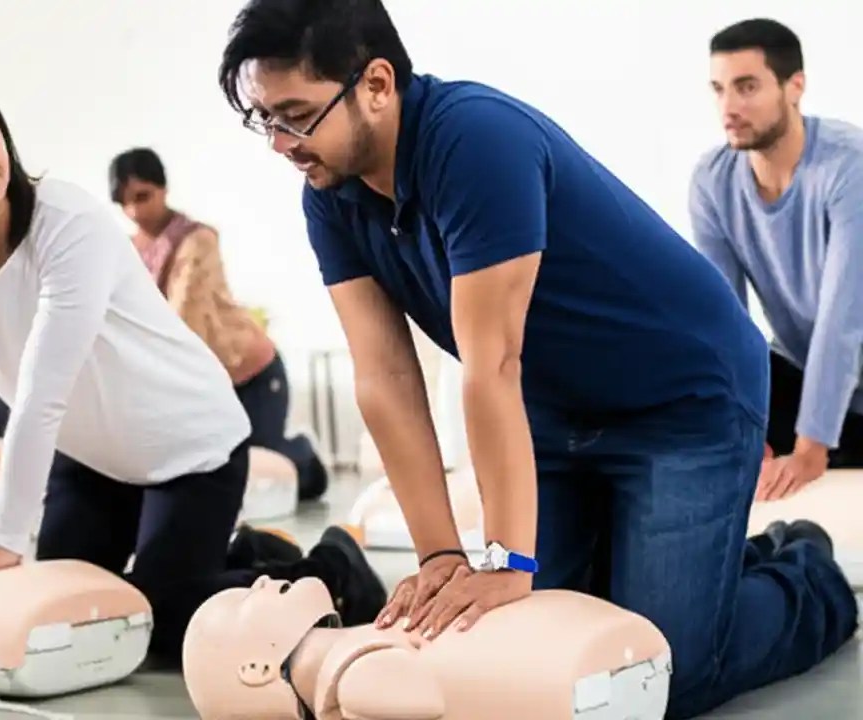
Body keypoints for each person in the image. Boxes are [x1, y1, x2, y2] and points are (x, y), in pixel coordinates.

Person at [214, 1, 858, 717]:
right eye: (264, 119)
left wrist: (507, 561)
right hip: (556, 410)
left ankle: (807, 572)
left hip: (684, 399)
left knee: (656, 674)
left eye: (295, 115)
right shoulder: (330, 195)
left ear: (376, 83)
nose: (280, 143)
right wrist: (440, 558)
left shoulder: (474, 139)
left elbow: (492, 363)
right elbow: (386, 376)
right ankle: (702, 568)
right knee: (530, 653)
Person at [0, 66, 385, 663]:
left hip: (187, 441)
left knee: (164, 617)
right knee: (75, 610)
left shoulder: (66, 222)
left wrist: (4, 540)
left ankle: (330, 571)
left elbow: (43, 391)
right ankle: (246, 555)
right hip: (93, 457)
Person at [691, 18, 863, 502]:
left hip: (851, 361)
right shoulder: (712, 180)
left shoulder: (849, 165)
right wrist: (744, 426)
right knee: (692, 403)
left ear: (795, 87)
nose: (729, 107)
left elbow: (842, 319)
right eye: (719, 89)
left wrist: (810, 449)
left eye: (747, 88)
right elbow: (725, 321)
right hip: (804, 370)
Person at [108, 146, 328, 501]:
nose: (134, 211)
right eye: (124, 203)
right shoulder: (127, 248)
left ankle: (303, 454)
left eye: (142, 197)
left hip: (248, 372)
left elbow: (182, 318)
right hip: (197, 377)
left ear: (163, 189)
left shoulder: (197, 239)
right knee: (223, 470)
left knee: (264, 464)